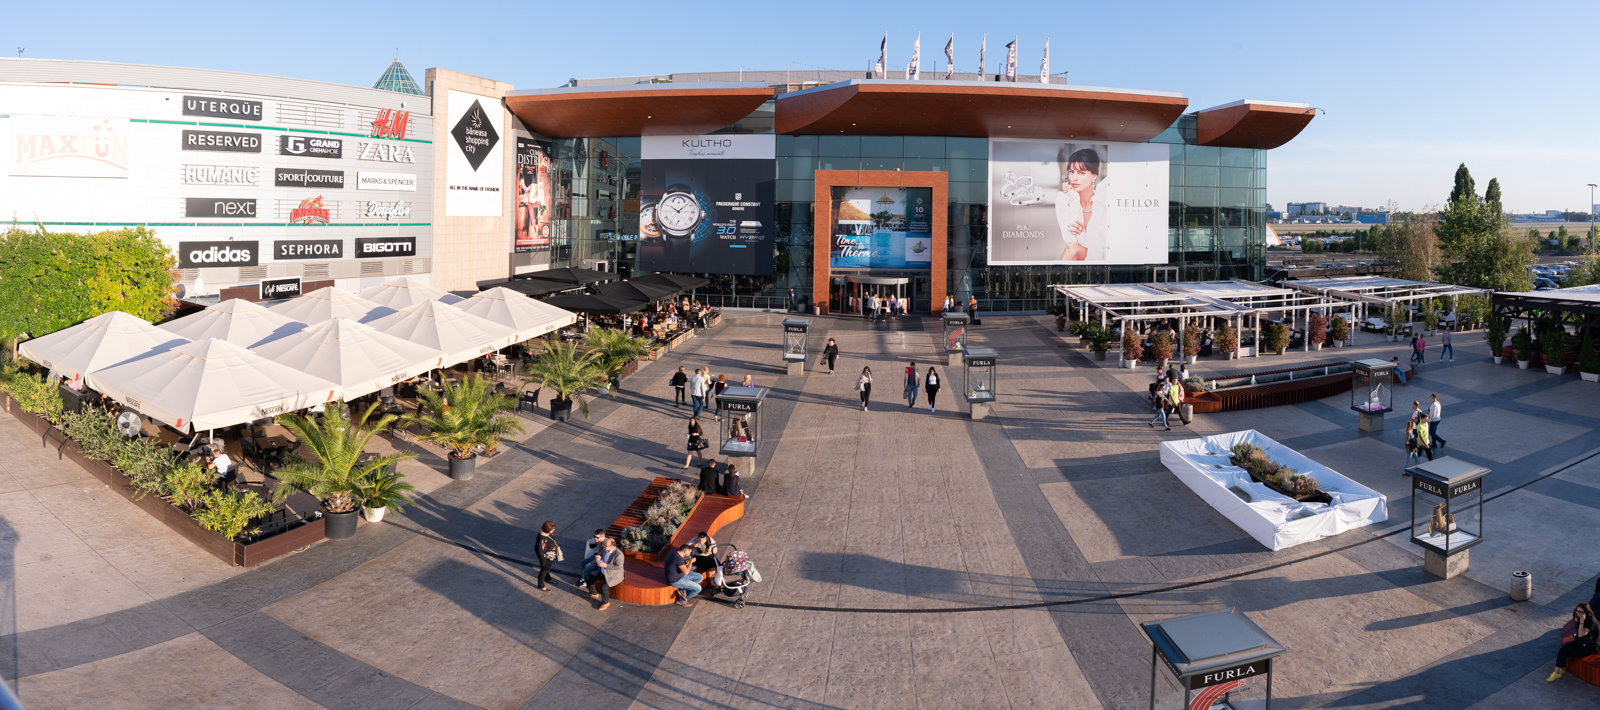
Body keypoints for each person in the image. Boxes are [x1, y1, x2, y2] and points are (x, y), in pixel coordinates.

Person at [1548, 604, 1599, 681]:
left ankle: (1560, 670)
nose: (1577, 613)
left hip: (1589, 646)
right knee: (1562, 651)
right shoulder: (1579, 617)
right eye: (1576, 610)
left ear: (1585, 613)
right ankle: (1558, 671)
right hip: (1581, 640)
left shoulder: (1591, 621)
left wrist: (1581, 622)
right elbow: (1579, 634)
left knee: (1566, 654)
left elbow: (1581, 634)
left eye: (1580, 612)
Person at [583, 538, 625, 611]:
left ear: (612, 546)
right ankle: (594, 593)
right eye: (604, 545)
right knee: (588, 577)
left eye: (606, 546)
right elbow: (600, 554)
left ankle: (605, 603)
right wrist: (599, 557)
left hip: (613, 575)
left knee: (603, 587)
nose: (604, 547)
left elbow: (618, 567)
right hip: (603, 571)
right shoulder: (605, 549)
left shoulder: (619, 555)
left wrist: (605, 565)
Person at [535, 521, 560, 592]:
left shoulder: (547, 534)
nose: (554, 530)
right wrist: (543, 560)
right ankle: (541, 585)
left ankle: (548, 578)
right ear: (547, 530)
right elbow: (539, 551)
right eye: (552, 529)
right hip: (547, 558)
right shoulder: (542, 539)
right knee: (544, 570)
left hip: (551, 556)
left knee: (547, 569)